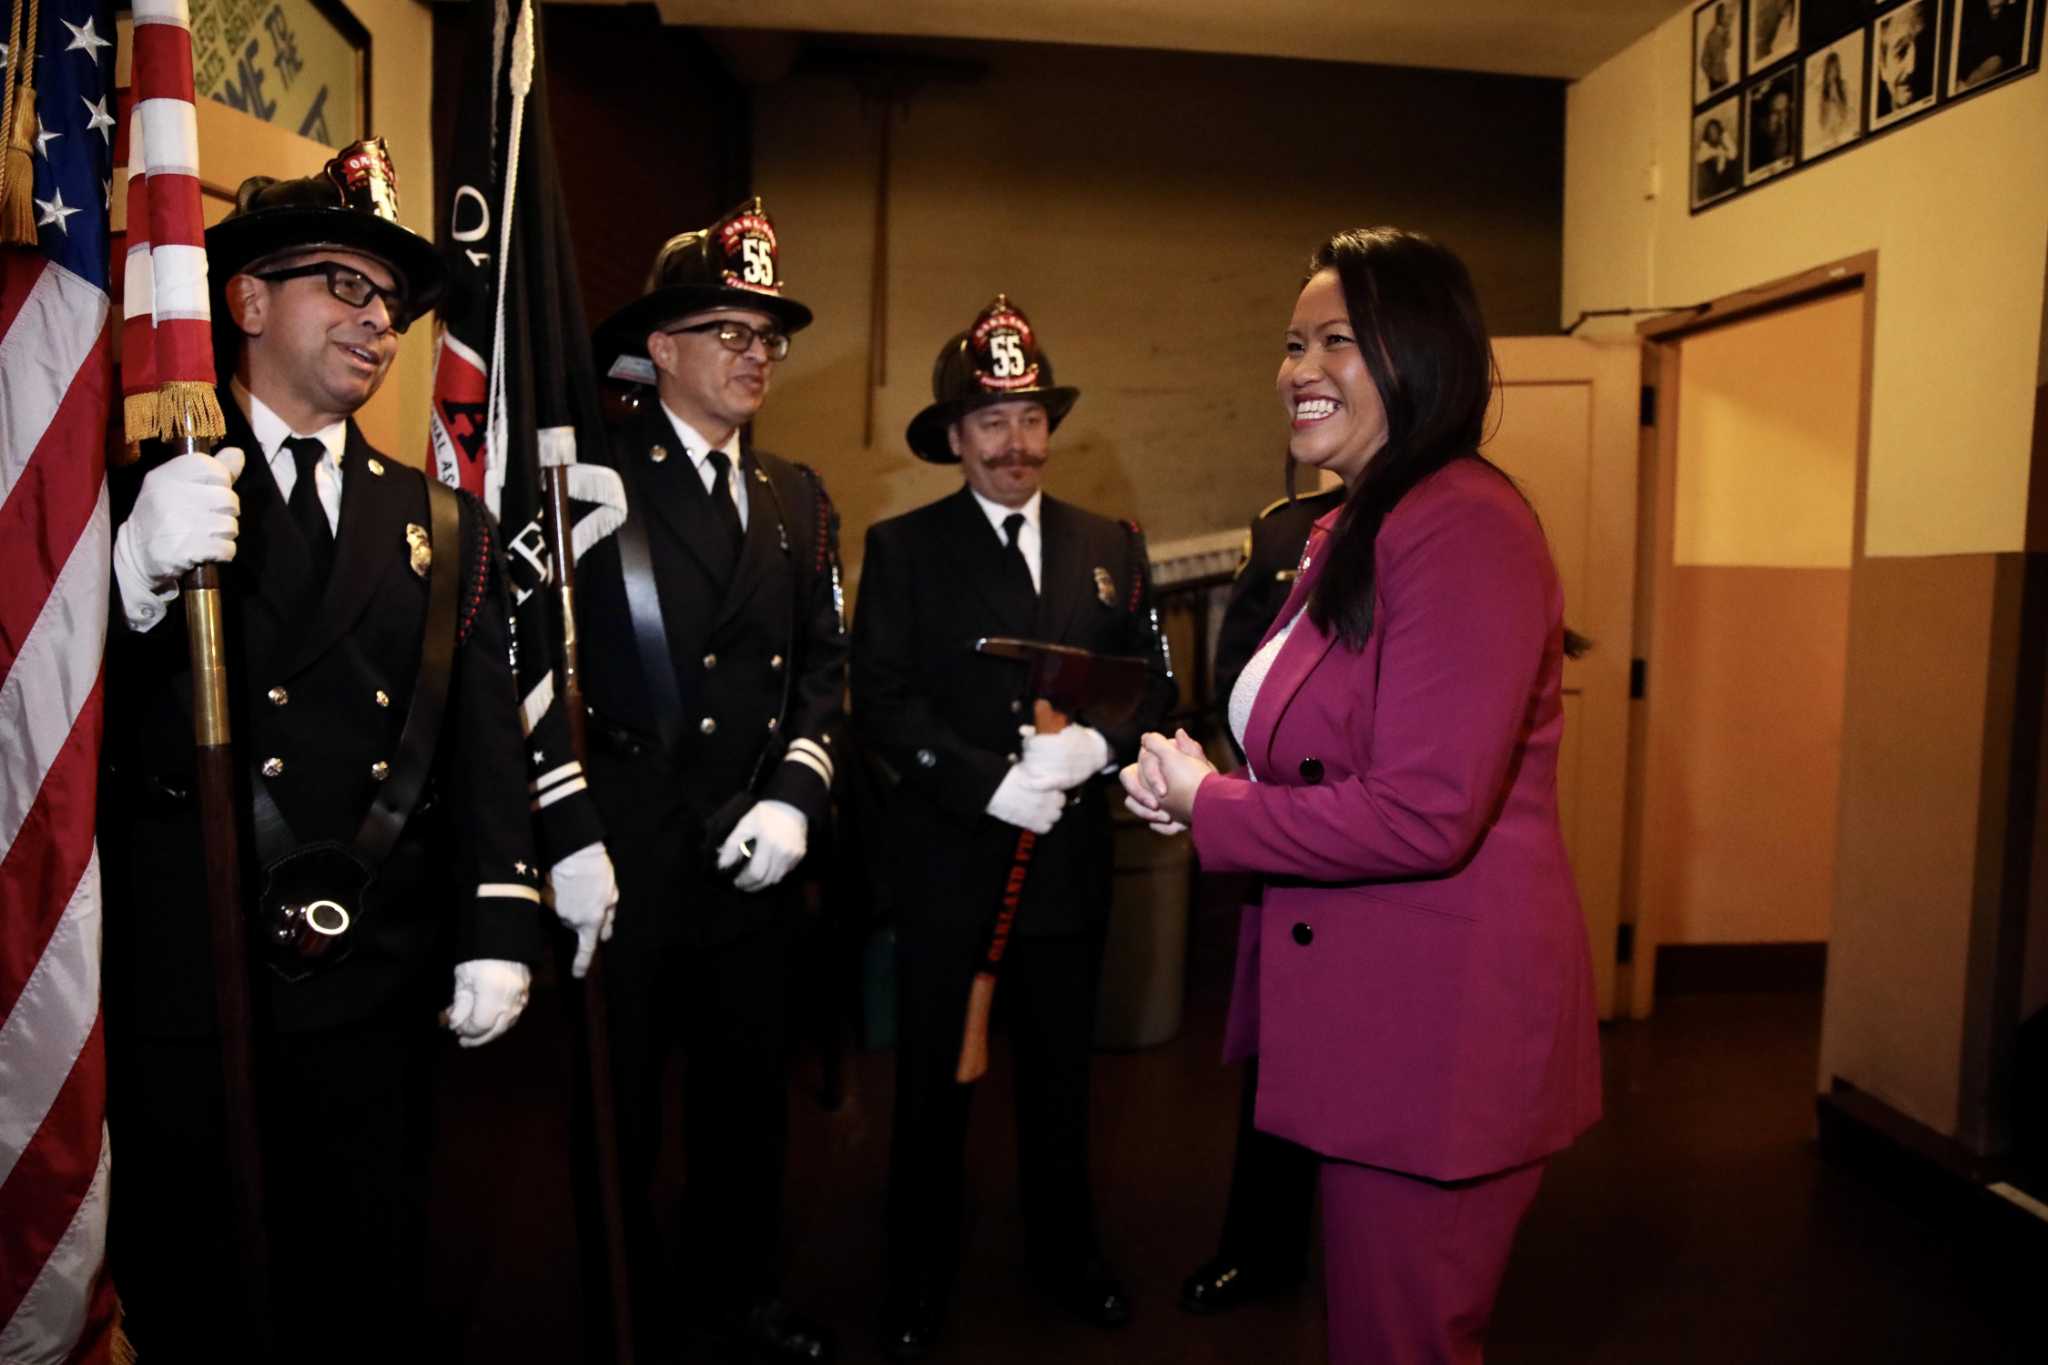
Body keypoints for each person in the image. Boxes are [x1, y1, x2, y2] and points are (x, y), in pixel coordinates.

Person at [1123, 228, 1602, 1364]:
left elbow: (1422, 811)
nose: (1296, 370)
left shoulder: (1463, 524)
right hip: (1378, 1023)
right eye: (1290, 344)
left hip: (1436, 1041)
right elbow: (1328, 751)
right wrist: (1204, 788)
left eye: (1335, 340)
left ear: (1421, 353)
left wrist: (1212, 809)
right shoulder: (1357, 523)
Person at [101, 139, 544, 1358]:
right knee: (194, 1279)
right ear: (245, 302)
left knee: (363, 1275)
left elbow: (479, 746)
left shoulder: (442, 520)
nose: (379, 320)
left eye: (390, 301)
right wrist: (123, 579)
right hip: (191, 967)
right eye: (342, 285)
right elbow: (49, 719)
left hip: (371, 972)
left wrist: (498, 925)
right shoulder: (136, 484)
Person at [851, 295, 1175, 1359]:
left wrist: (1095, 746)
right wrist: (985, 781)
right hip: (952, 866)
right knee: (935, 1092)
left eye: (1031, 417)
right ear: (952, 436)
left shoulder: (1106, 546)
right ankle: (916, 1274)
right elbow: (882, 698)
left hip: (1071, 872)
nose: (1015, 443)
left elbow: (1149, 690)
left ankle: (1066, 1255)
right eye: (990, 421)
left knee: (1061, 1087)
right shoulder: (903, 549)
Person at [576, 198, 846, 1364]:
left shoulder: (797, 497)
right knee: (622, 1109)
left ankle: (737, 1289)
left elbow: (826, 669)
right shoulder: (589, 483)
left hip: (755, 850)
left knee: (746, 1107)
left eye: (766, 335)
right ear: (664, 348)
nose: (752, 355)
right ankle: (624, 1305)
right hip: (634, 848)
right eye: (726, 330)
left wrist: (798, 791)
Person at [1176, 473, 1339, 1316]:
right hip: (1289, 837)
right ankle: (1261, 1248)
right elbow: (1239, 663)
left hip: (1382, 840)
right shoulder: (1284, 532)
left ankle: (1361, 1258)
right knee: (1281, 1056)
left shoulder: (1442, 521)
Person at [1695, 116, 1739, 201]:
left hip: (1728, 183)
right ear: (1707, 134)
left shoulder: (1723, 142)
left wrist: (1724, 135)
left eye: (1715, 130)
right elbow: (1699, 158)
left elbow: (1734, 153)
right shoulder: (1705, 146)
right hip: (1714, 187)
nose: (1713, 133)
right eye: (1710, 131)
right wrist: (1718, 153)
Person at [1699, 2, 1733, 93]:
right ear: (1719, 16)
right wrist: (1711, 74)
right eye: (1725, 15)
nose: (1727, 18)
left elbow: (1728, 44)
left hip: (1723, 74)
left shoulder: (1724, 32)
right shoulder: (1712, 36)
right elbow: (1704, 61)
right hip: (1716, 76)